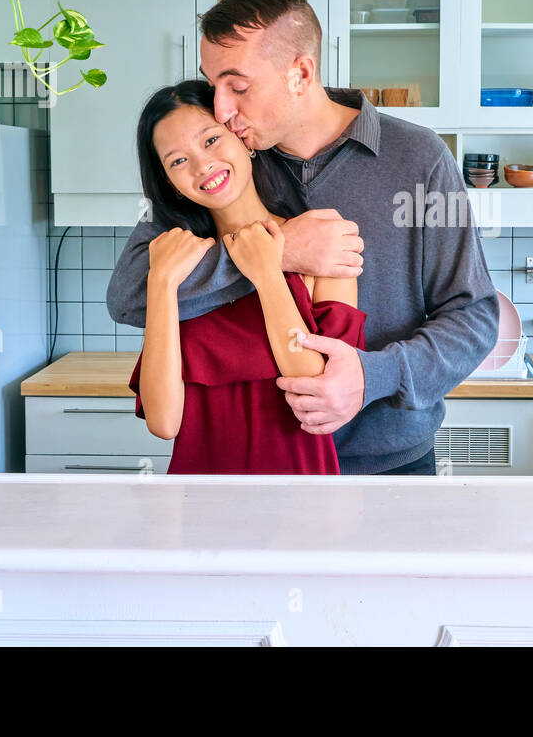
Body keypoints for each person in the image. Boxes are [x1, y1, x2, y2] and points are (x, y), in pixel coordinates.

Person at [107, 0, 498, 475]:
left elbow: (474, 316)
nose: (222, 110)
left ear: (300, 72)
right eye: (214, 86)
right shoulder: (224, 159)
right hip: (252, 467)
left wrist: (371, 375)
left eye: (239, 87)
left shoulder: (418, 159)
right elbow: (129, 295)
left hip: (388, 467)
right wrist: (280, 252)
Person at [128, 80, 365, 474]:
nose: (202, 166)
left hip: (302, 503)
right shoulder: (183, 267)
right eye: (177, 161)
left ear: (244, 139)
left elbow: (314, 389)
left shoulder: (320, 244)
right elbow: (164, 422)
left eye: (210, 141)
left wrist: (267, 273)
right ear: (170, 184)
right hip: (198, 502)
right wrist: (162, 284)